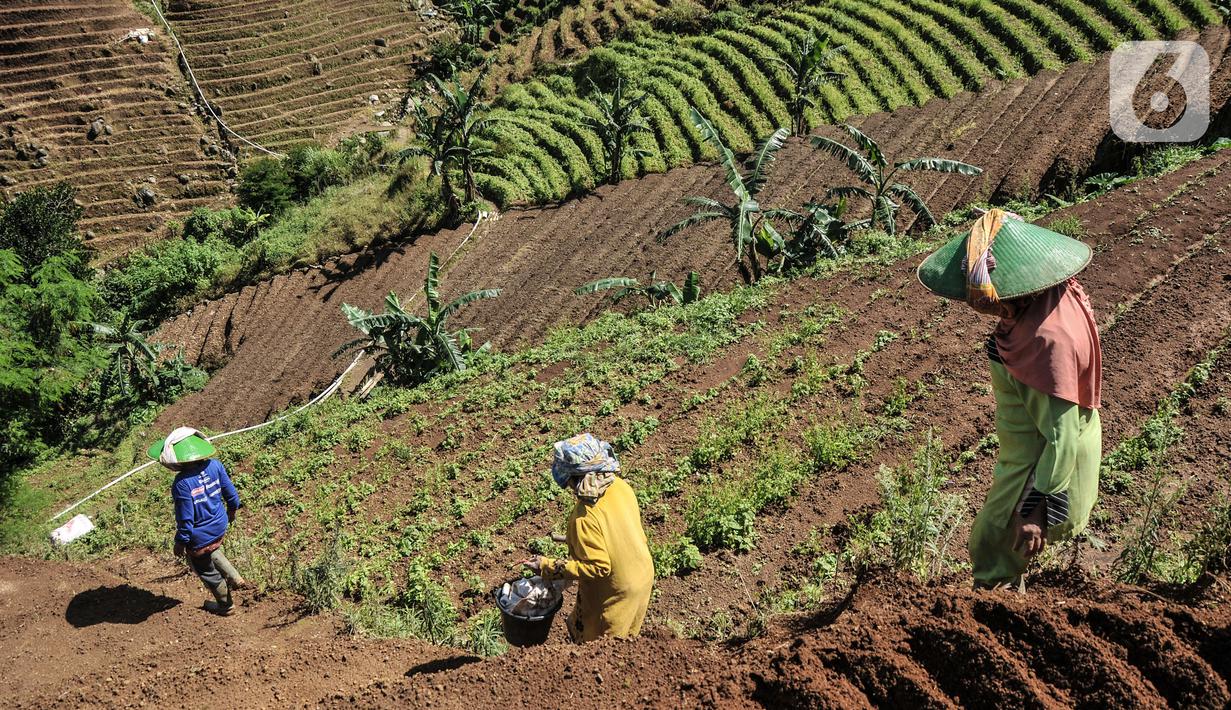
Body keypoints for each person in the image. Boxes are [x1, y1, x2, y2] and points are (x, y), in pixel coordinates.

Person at [917, 209, 1102, 591]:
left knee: (993, 543)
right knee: (999, 545)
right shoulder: (1059, 294)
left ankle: (991, 618)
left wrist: (1037, 509)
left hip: (1040, 463)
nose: (986, 308)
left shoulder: (1044, 343)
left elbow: (1061, 435)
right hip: (1037, 449)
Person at [521, 433, 654, 642]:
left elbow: (598, 567)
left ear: (572, 478)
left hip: (616, 592)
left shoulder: (583, 517)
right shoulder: (621, 487)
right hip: (642, 574)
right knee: (625, 640)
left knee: (601, 652)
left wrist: (547, 566)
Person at [148, 427, 246, 614]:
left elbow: (186, 520)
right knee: (212, 547)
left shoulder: (182, 483)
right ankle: (235, 578)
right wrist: (231, 513)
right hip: (220, 524)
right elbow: (232, 496)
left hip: (199, 535)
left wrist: (180, 543)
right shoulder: (215, 465)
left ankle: (226, 605)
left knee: (203, 567)